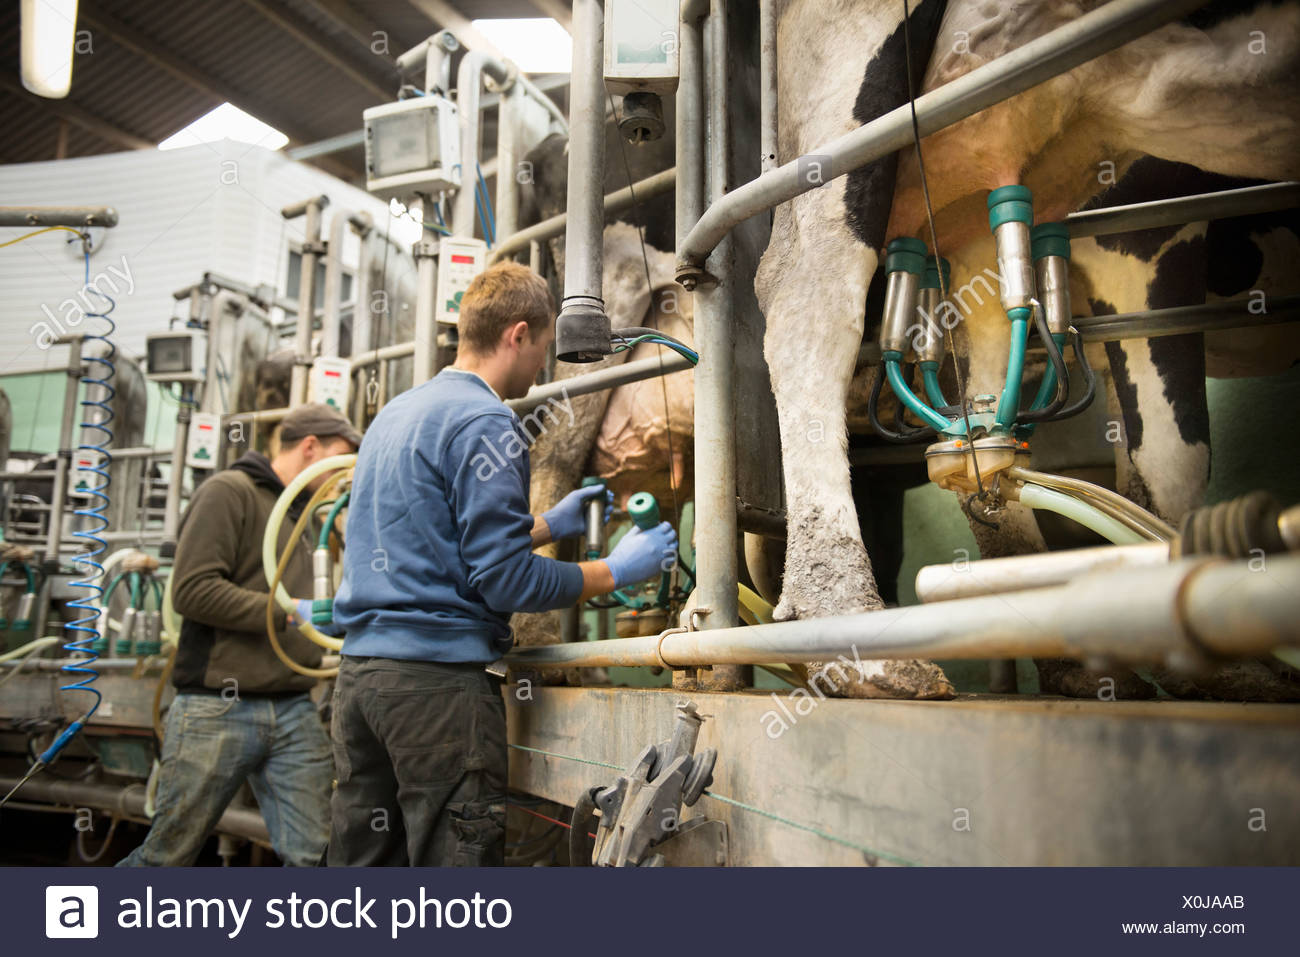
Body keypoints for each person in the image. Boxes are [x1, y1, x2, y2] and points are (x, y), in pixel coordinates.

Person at [328, 262, 677, 866]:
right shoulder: (488, 423)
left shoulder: (397, 415)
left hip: (362, 683)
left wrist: (545, 525)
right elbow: (503, 580)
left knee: (362, 866)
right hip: (436, 693)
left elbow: (432, 537)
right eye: (543, 347)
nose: (543, 367)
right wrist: (615, 571)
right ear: (518, 334)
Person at [118, 403, 361, 867]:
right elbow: (192, 591)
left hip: (292, 705)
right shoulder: (229, 492)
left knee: (318, 856)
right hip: (217, 706)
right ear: (311, 448)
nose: (343, 475)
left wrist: (329, 618)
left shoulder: (305, 514)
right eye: (340, 456)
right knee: (167, 857)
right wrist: (288, 613)